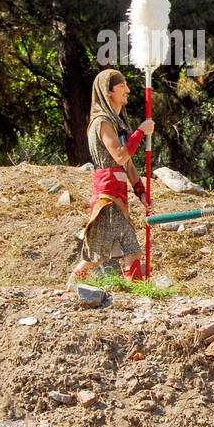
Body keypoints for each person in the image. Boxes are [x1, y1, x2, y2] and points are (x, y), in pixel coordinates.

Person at [69, 69, 154, 285]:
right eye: (121, 86)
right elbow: (120, 155)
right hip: (108, 198)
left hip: (118, 197)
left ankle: (135, 292)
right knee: (106, 254)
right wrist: (140, 132)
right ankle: (71, 289)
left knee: (118, 252)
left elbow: (128, 164)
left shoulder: (117, 123)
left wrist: (141, 193)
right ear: (108, 92)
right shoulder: (102, 122)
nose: (128, 90)